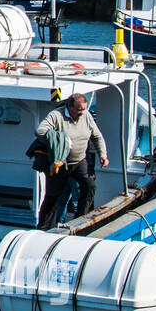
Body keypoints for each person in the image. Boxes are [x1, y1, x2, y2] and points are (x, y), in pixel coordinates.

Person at [35, 92, 108, 227]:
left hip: (79, 161)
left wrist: (103, 155)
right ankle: (44, 227)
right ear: (69, 106)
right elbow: (40, 131)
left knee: (90, 186)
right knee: (53, 196)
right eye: (79, 109)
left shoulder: (86, 115)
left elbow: (97, 136)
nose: (82, 112)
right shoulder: (56, 115)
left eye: (84, 109)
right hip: (60, 163)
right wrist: (61, 138)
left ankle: (80, 219)